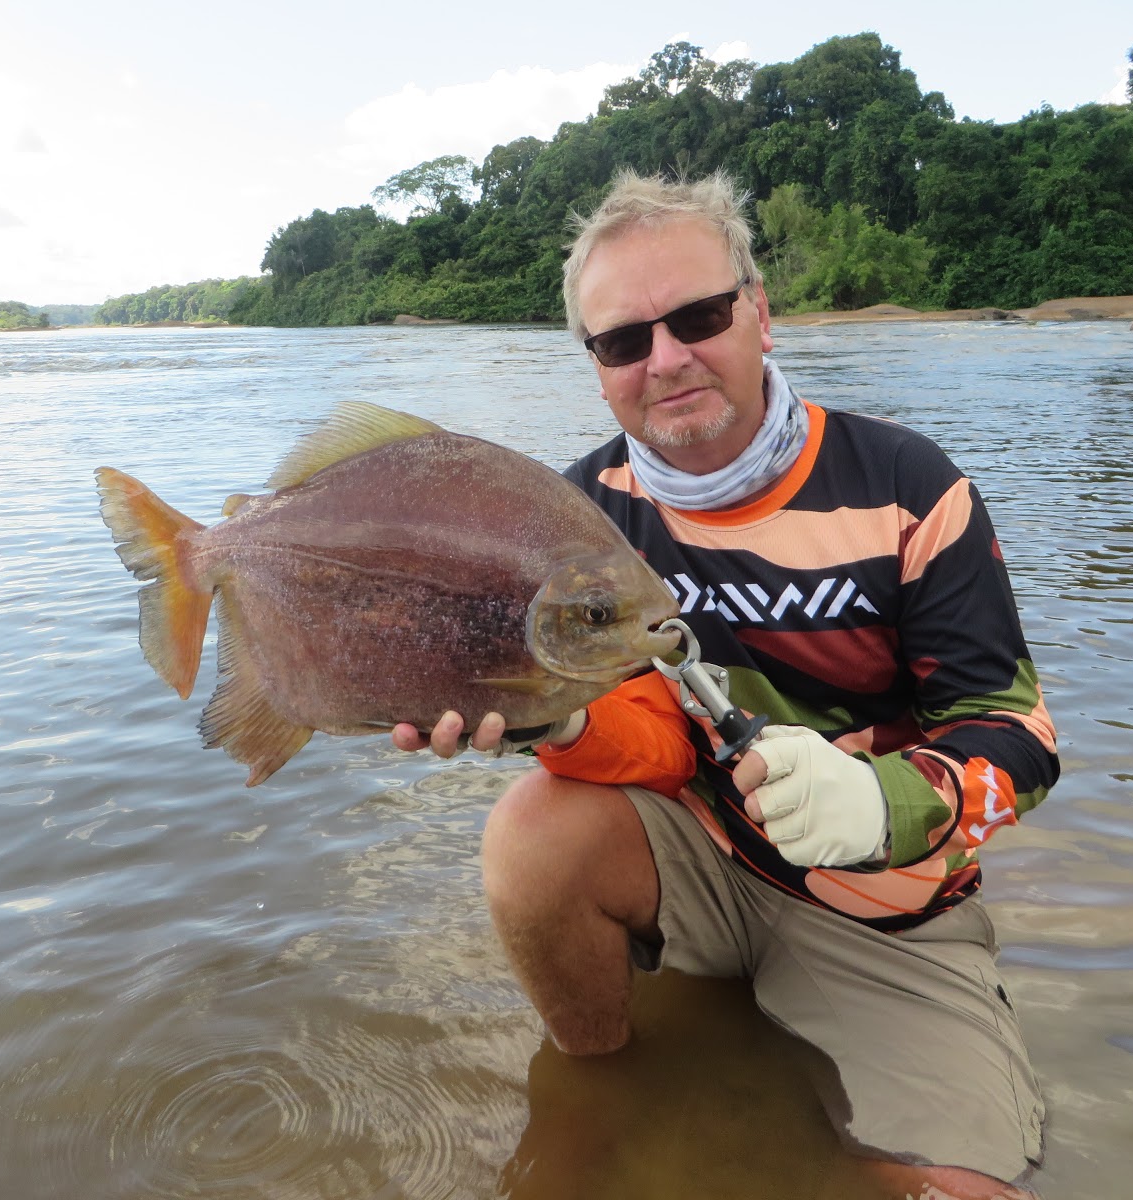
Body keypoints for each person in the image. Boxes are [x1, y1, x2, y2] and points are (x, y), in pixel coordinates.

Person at [393, 171, 1059, 1200]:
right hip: (702, 860)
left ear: (759, 313)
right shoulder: (579, 514)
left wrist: (876, 803)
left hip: (889, 904)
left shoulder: (907, 486)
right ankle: (595, 1090)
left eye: (697, 316)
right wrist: (552, 717)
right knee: (531, 830)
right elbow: (648, 743)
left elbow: (1018, 740)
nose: (665, 359)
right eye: (623, 340)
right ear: (598, 368)